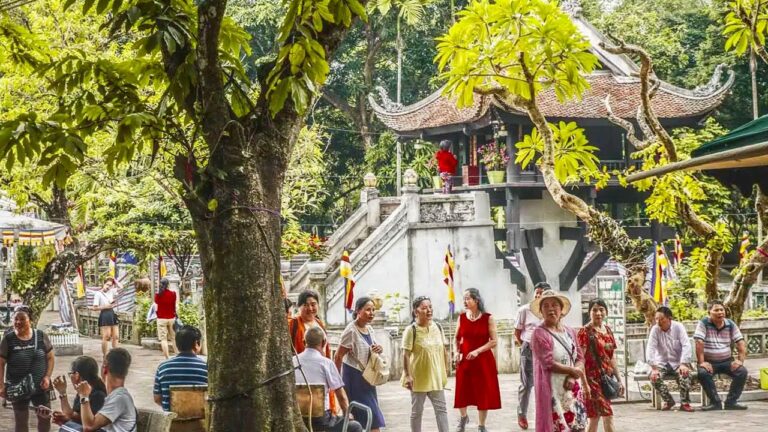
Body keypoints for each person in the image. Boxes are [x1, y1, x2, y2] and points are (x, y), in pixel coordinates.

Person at [530, 290, 589, 432]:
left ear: (561, 310)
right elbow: (548, 363)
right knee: (558, 426)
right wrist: (572, 371)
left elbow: (580, 358)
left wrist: (572, 376)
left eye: (555, 305)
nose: (551, 309)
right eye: (546, 306)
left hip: (572, 388)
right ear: (541, 311)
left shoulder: (570, 332)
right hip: (553, 389)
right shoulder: (539, 333)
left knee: (577, 425)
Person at [294, 326, 363, 432]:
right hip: (321, 421)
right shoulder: (326, 363)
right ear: (324, 342)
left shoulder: (292, 361)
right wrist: (347, 413)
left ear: (304, 342)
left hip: (297, 417)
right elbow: (341, 395)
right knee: (355, 426)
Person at [0, 306, 55, 432]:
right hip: (17, 388)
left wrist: (47, 376)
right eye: (16, 319)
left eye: (22, 319)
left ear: (30, 320)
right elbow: (1, 363)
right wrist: (1, 385)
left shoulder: (41, 336)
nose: (18, 322)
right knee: (21, 420)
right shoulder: (8, 339)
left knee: (44, 418)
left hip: (41, 387)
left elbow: (50, 358)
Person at [334, 297, 386, 431]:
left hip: (368, 378)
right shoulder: (351, 331)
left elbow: (373, 348)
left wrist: (378, 349)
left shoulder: (369, 329)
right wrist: (337, 381)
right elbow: (338, 356)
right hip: (354, 378)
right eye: (368, 310)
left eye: (373, 310)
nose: (371, 313)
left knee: (367, 419)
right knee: (372, 417)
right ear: (358, 310)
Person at [454, 288, 501, 432]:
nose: (465, 301)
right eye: (464, 298)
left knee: (483, 393)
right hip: (465, 361)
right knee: (462, 391)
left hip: (483, 362)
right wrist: (456, 352)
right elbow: (456, 338)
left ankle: (481, 425)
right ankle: (463, 417)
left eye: (468, 298)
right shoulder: (461, 318)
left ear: (476, 300)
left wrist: (477, 351)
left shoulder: (488, 318)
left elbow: (494, 341)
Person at [401, 296, 450, 432]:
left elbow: (443, 351)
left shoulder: (438, 327)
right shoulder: (411, 330)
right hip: (418, 378)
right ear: (416, 312)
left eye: (430, 307)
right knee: (417, 412)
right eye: (424, 308)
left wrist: (444, 370)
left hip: (435, 377)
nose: (428, 310)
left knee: (442, 410)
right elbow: (405, 354)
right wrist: (408, 376)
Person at [577, 299, 624, 432]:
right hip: (592, 381)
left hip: (606, 380)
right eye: (595, 310)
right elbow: (581, 360)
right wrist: (585, 384)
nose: (598, 313)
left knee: (595, 418)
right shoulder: (584, 332)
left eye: (601, 310)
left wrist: (619, 380)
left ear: (606, 312)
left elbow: (611, 357)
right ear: (589, 312)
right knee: (607, 414)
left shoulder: (608, 330)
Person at [694, 300, 748, 411]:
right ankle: (715, 403)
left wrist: (740, 361)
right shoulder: (704, 323)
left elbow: (741, 342)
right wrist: (702, 362)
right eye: (716, 310)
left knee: (742, 371)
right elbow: (699, 342)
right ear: (709, 312)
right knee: (703, 373)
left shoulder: (730, 324)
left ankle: (731, 402)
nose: (720, 312)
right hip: (710, 362)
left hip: (727, 361)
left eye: (721, 310)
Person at [289, 289, 337, 413]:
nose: (310, 308)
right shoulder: (293, 324)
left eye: (313, 304)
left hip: (321, 371)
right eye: (306, 305)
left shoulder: (319, 323)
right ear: (299, 307)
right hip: (303, 374)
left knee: (324, 405)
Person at [645, 306, 693, 412]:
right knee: (654, 378)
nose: (658, 322)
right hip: (661, 362)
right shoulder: (655, 329)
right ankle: (668, 400)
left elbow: (686, 345)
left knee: (685, 375)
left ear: (669, 318)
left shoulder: (678, 327)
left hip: (678, 362)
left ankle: (685, 403)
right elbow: (650, 348)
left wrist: (684, 363)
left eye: (661, 319)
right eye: (656, 319)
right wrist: (653, 367)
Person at [76, 348, 136, 432]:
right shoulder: (117, 396)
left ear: (105, 368)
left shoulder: (119, 398)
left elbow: (88, 427)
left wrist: (84, 396)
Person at [514, 282, 546, 430]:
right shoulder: (524, 310)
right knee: (527, 384)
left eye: (542, 293)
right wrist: (525, 346)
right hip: (528, 347)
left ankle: (546, 414)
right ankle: (522, 414)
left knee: (546, 383)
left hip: (546, 350)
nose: (539, 295)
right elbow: (517, 332)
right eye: (537, 292)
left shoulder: (549, 310)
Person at [153, 325, 208, 412]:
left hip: (171, 422)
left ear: (177, 344)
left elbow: (157, 398)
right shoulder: (206, 368)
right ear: (196, 344)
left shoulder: (163, 368)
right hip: (199, 422)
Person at [52, 356, 108, 430]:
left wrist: (68, 418)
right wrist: (62, 392)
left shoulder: (98, 395)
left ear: (77, 375)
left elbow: (88, 424)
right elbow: (72, 415)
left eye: (70, 373)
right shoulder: (82, 391)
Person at [91, 278, 122, 360]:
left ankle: (115, 355)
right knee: (106, 336)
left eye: (110, 285)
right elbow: (94, 307)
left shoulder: (111, 291)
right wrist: (106, 306)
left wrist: (114, 280)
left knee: (116, 336)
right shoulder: (98, 294)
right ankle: (105, 355)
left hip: (112, 313)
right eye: (107, 284)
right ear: (103, 284)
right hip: (105, 313)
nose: (108, 287)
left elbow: (121, 287)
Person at [154, 278, 178, 359]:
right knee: (174, 338)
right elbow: (174, 306)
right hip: (172, 318)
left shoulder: (157, 295)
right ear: (168, 285)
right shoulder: (173, 294)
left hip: (161, 319)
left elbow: (155, 307)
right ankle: (177, 355)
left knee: (163, 339)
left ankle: (167, 358)